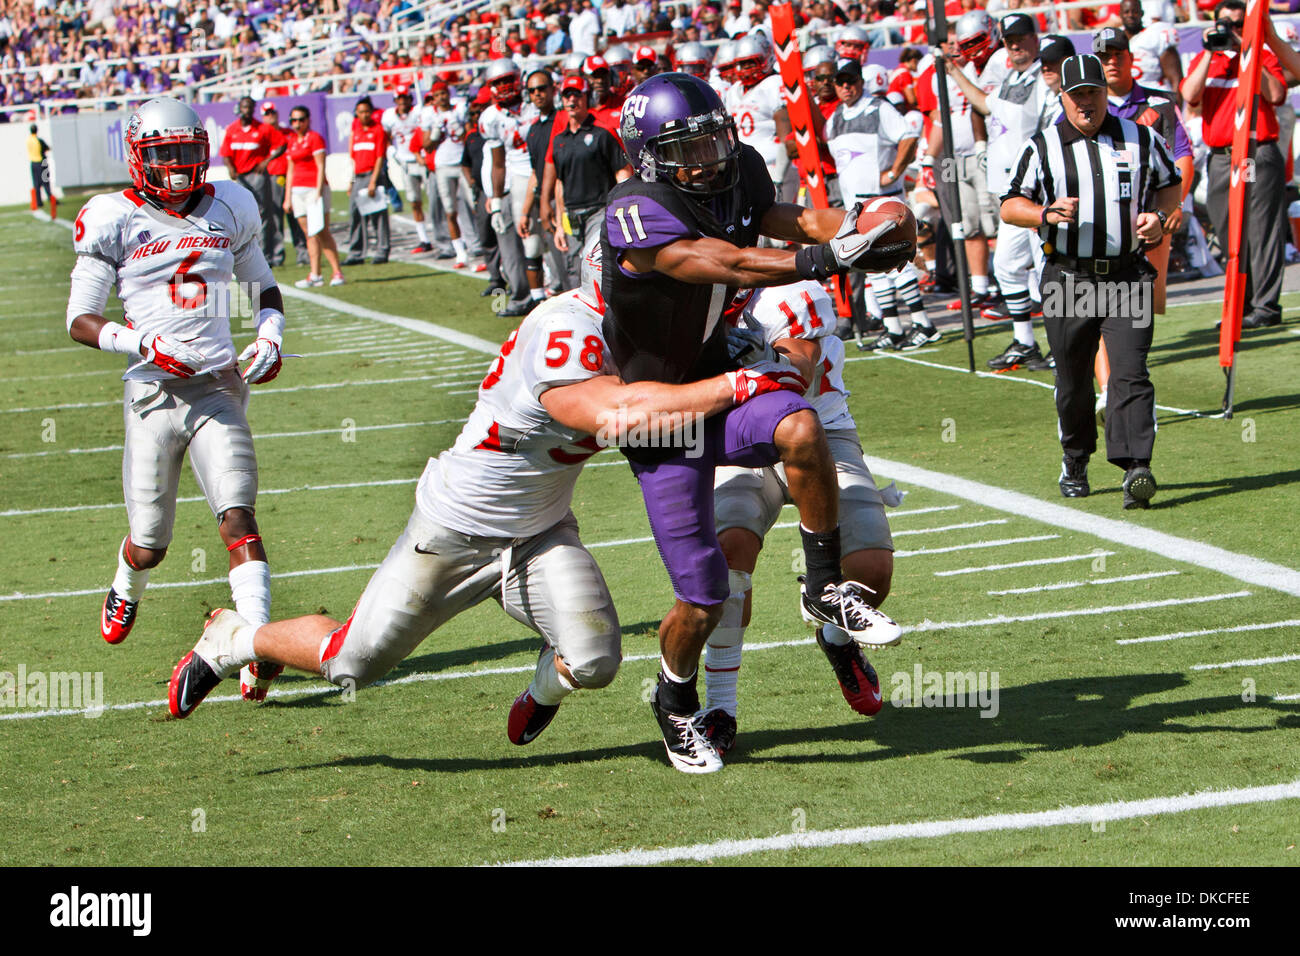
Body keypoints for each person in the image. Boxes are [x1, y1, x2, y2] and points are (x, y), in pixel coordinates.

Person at [166, 258, 809, 739]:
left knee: (595, 660)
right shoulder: (567, 330)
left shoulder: (653, 338)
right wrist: (739, 381)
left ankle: (537, 693)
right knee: (351, 663)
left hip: (540, 532)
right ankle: (236, 640)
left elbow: (710, 402)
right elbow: (618, 414)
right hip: (454, 531)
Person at [603, 73, 910, 772]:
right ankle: (677, 700)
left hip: (728, 384)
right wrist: (831, 256)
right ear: (650, 155)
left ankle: (825, 585)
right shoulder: (634, 208)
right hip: (662, 414)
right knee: (704, 595)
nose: (710, 159)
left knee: (801, 426)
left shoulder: (737, 171)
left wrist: (867, 222)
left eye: (716, 140)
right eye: (690, 148)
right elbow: (725, 261)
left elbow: (789, 219)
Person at [66, 97, 288, 701]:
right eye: (164, 155)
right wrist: (143, 341)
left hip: (216, 383)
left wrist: (269, 335)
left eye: (187, 153)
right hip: (151, 393)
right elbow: (80, 320)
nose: (177, 168)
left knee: (238, 515)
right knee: (150, 545)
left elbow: (262, 287)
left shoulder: (231, 204)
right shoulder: (111, 215)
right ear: (139, 154)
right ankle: (125, 583)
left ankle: (256, 644)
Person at [706, 279, 901, 754]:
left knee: (873, 568)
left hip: (822, 430)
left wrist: (760, 364)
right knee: (730, 556)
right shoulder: (685, 288)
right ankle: (720, 707)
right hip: (740, 437)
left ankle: (834, 636)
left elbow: (800, 364)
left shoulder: (792, 291)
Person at [1001, 54, 1181, 509]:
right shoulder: (1041, 146)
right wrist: (1044, 212)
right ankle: (1076, 456)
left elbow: (1170, 184)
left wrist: (1159, 218)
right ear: (1062, 98)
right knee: (1074, 379)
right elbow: (1010, 205)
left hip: (1127, 274)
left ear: (1107, 94)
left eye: (1094, 93)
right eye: (1077, 94)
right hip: (1068, 276)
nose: (1087, 103)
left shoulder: (1141, 137)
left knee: (1130, 373)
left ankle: (1137, 465)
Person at [945, 13, 1060, 370]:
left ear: (1034, 37)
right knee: (1008, 267)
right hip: (1010, 192)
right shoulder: (1011, 75)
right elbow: (984, 103)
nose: (1015, 45)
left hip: (1036, 190)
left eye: (1021, 38)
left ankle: (1063, 342)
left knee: (1047, 269)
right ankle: (1025, 342)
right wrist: (953, 72)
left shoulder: (1045, 78)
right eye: (1009, 39)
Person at [1182, 0, 1288, 330]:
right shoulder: (1206, 59)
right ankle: (1241, 303)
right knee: (1227, 228)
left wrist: (1247, 50)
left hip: (1257, 150)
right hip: (1222, 156)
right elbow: (1189, 93)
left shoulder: (1262, 56)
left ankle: (1266, 306)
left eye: (1239, 25)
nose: (1231, 31)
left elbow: (1276, 94)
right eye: (1226, 25)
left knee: (1260, 230)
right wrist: (1211, 50)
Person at [824, 58, 932, 351]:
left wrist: (895, 171)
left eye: (851, 81)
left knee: (897, 257)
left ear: (861, 82)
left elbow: (909, 136)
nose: (846, 87)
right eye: (840, 81)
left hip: (882, 200)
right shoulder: (835, 116)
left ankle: (924, 323)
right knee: (872, 264)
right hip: (855, 204)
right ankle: (893, 327)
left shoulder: (878, 107)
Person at [549, 74, 632, 288]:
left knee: (596, 265)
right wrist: (559, 223)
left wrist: (621, 208)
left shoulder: (602, 132)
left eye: (577, 95)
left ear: (586, 98)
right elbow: (560, 183)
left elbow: (622, 171)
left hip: (599, 210)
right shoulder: (559, 140)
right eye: (567, 96)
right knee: (573, 269)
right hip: (571, 214)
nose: (572, 101)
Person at [480, 59, 545, 316]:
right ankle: (527, 297)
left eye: (508, 79)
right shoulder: (491, 118)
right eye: (498, 82)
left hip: (544, 174)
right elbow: (498, 164)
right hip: (515, 181)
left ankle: (558, 290)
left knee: (548, 239)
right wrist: (495, 202)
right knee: (520, 243)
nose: (504, 86)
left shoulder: (534, 103)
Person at [282, 105, 344, 288]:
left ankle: (336, 271)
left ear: (308, 120)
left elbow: (320, 166)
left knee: (321, 231)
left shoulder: (315, 138)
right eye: (294, 120)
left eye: (301, 119)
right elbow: (290, 171)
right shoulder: (292, 140)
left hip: (313, 190)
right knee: (309, 234)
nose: (297, 123)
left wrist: (318, 192)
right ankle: (315, 273)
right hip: (297, 191)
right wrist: (287, 196)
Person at [219, 96, 285, 265]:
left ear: (253, 109)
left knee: (264, 215)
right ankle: (247, 255)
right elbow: (226, 153)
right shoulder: (232, 129)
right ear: (239, 108)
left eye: (249, 107)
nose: (246, 110)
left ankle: (269, 255)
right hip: (241, 178)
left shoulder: (263, 128)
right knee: (243, 216)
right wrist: (230, 167)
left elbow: (282, 143)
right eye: (243, 107)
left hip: (257, 176)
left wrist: (266, 161)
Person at [421, 81, 472, 268]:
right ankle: (460, 251)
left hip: (462, 163)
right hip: (442, 165)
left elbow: (469, 136)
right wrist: (435, 133)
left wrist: (459, 129)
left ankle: (477, 244)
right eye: (437, 95)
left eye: (444, 93)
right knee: (450, 210)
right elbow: (426, 146)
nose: (441, 97)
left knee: (474, 205)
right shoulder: (428, 115)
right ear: (433, 98)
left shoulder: (459, 110)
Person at [382, 85, 433, 254]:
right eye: (399, 98)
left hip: (423, 160)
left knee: (435, 199)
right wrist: (390, 149)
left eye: (405, 98)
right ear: (395, 100)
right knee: (414, 201)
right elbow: (386, 136)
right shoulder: (389, 116)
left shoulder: (418, 113)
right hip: (405, 162)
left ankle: (446, 236)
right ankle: (424, 238)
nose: (402, 101)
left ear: (411, 99)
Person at [344, 96, 390, 265]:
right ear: (356, 113)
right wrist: (351, 181)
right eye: (361, 112)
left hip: (372, 176)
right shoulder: (355, 133)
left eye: (367, 112)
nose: (364, 115)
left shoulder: (378, 130)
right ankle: (356, 253)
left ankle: (382, 250)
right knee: (355, 214)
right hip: (358, 178)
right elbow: (354, 160)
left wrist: (373, 181)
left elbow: (379, 158)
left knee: (378, 216)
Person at [261, 103, 306, 267]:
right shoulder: (262, 136)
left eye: (272, 112)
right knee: (275, 220)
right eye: (267, 113)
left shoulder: (289, 133)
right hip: (273, 179)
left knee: (297, 217)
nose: (270, 115)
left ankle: (303, 253)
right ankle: (277, 255)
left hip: (292, 178)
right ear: (263, 117)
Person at [28, 123, 55, 217]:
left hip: (33, 163)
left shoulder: (29, 140)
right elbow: (46, 148)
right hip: (41, 162)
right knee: (45, 182)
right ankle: (50, 198)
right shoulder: (39, 140)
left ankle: (39, 202)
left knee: (36, 183)